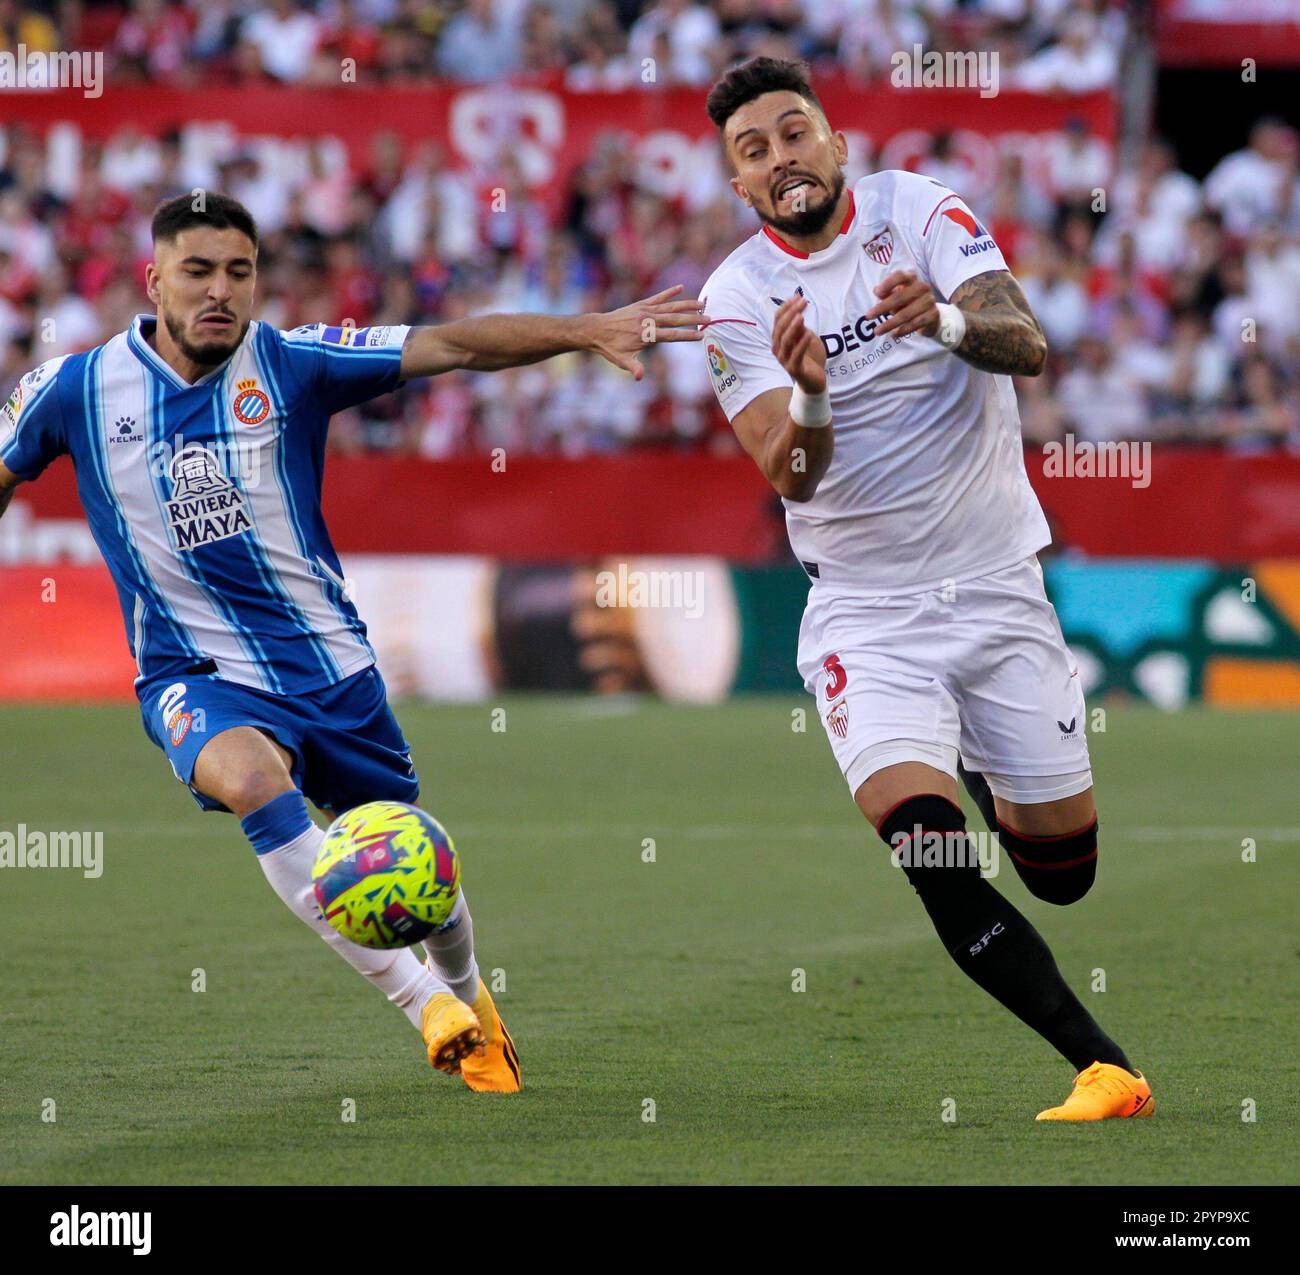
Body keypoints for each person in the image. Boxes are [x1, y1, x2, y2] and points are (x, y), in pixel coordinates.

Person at [0, 191, 703, 1093]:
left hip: (331, 669)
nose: (220, 291)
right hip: (193, 672)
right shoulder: (76, 390)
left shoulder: (293, 365)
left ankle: (470, 994)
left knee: (420, 863)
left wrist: (587, 327)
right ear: (154, 280)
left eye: (239, 272)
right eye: (198, 271)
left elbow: (452, 343)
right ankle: (429, 1009)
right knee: (258, 785)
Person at [699, 57, 1153, 1121]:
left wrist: (941, 319)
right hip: (866, 612)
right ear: (738, 186)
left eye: (792, 132)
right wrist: (810, 395)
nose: (780, 158)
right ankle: (1102, 1068)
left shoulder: (923, 211)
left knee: (1061, 872)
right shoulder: (735, 297)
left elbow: (1026, 343)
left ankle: (988, 765)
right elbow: (789, 470)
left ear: (836, 143)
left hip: (997, 590)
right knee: (930, 849)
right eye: (752, 151)